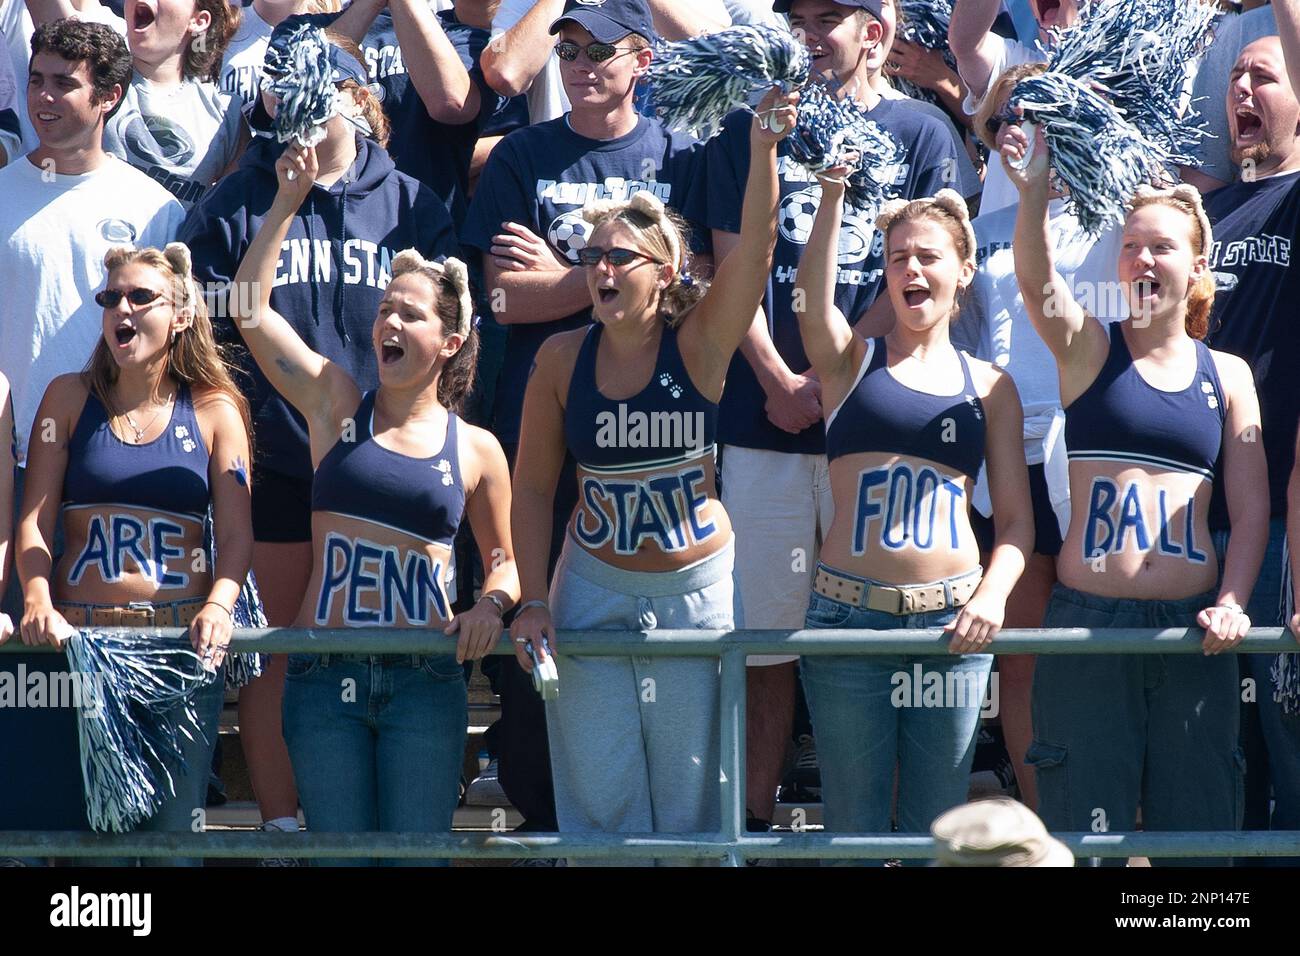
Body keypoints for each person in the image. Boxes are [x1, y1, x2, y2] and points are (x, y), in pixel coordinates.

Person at [692, 0, 978, 836]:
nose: (811, 32)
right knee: (768, 638)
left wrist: (836, 371)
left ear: (877, 32)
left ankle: (898, 838)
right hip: (762, 418)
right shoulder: (751, 122)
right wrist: (782, 376)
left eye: (831, 17)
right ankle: (753, 824)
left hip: (889, 426)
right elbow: (726, 260)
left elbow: (934, 262)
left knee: (892, 627)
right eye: (800, 18)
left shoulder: (924, 132)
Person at [181, 26, 459, 848]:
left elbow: (458, 331)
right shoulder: (238, 198)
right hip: (274, 449)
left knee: (377, 638)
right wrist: (282, 203)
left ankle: (371, 819)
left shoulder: (411, 199)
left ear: (350, 92)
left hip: (387, 460)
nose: (289, 102)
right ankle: (281, 828)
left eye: (309, 84)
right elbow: (217, 323)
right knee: (282, 648)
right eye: (275, 86)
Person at [510, 86, 796, 864]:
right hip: (592, 593)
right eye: (592, 255)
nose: (600, 269)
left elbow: (757, 257)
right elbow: (533, 487)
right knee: (602, 812)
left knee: (697, 811)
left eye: (619, 257)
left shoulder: (699, 346)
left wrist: (764, 153)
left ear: (665, 272)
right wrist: (533, 599)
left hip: (695, 599)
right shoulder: (561, 359)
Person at [228, 141, 519, 866]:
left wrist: (490, 606)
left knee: (415, 859)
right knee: (340, 860)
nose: (388, 321)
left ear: (449, 341)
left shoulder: (476, 447)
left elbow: (508, 562)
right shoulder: (334, 405)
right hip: (325, 676)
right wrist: (286, 204)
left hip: (425, 677)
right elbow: (246, 308)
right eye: (385, 308)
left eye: (410, 314)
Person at [462, 0, 705, 836]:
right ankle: (548, 821)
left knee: (669, 672)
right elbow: (497, 296)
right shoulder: (522, 155)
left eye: (602, 47)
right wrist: (605, 277)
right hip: (544, 432)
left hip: (657, 446)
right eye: (567, 46)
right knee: (543, 638)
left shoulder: (680, 151)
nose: (581, 60)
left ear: (643, 59)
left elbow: (700, 285)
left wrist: (564, 278)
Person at [1003, 122, 1268, 864]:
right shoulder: (1089, 348)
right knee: (1088, 842)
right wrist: (1031, 194)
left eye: (1161, 245)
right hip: (1090, 631)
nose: (1143, 259)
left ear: (1198, 261)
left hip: (1193, 637)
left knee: (1198, 841)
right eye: (1131, 245)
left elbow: (1248, 513)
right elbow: (1035, 280)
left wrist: (1236, 602)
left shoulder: (1230, 375)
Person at [791, 170, 1031, 851]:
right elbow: (811, 302)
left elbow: (1014, 525)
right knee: (854, 833)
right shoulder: (849, 361)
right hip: (847, 623)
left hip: (953, 628)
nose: (912, 269)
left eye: (928, 255)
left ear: (963, 270)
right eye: (898, 258)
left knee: (941, 833)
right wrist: (833, 198)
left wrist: (992, 595)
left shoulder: (991, 387)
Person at [0, 18, 183, 840]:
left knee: (117, 730)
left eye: (63, 83)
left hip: (111, 478)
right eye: (36, 79)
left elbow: (187, 351)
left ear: (110, 95)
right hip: (6, 475)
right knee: (28, 713)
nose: (43, 97)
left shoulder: (154, 208)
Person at [15, 242, 253, 866]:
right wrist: (37, 597)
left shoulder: (215, 408)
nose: (122, 308)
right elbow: (34, 523)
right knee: (100, 855)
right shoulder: (67, 399)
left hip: (177, 655)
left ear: (180, 314)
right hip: (86, 653)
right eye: (110, 298)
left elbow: (235, 537)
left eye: (140, 297)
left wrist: (223, 604)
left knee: (175, 848)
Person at [948, 61, 1126, 810]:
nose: (1017, 128)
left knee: (1099, 663)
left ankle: (1117, 835)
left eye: (1035, 113)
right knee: (1020, 665)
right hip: (1006, 468)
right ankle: (1043, 826)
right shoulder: (976, 233)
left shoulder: (1123, 220)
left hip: (1096, 460)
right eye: (1004, 117)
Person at [1195, 0, 1300, 853]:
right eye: (1235, 76)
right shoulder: (1202, 214)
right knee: (1216, 751)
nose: (1243, 87)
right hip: (1197, 523)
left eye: (1264, 75)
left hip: (1285, 525)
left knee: (1287, 735)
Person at [948, 0, 1080, 215]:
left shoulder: (1131, 80)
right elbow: (966, 43)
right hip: (1001, 243)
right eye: (1011, 118)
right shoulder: (1020, 65)